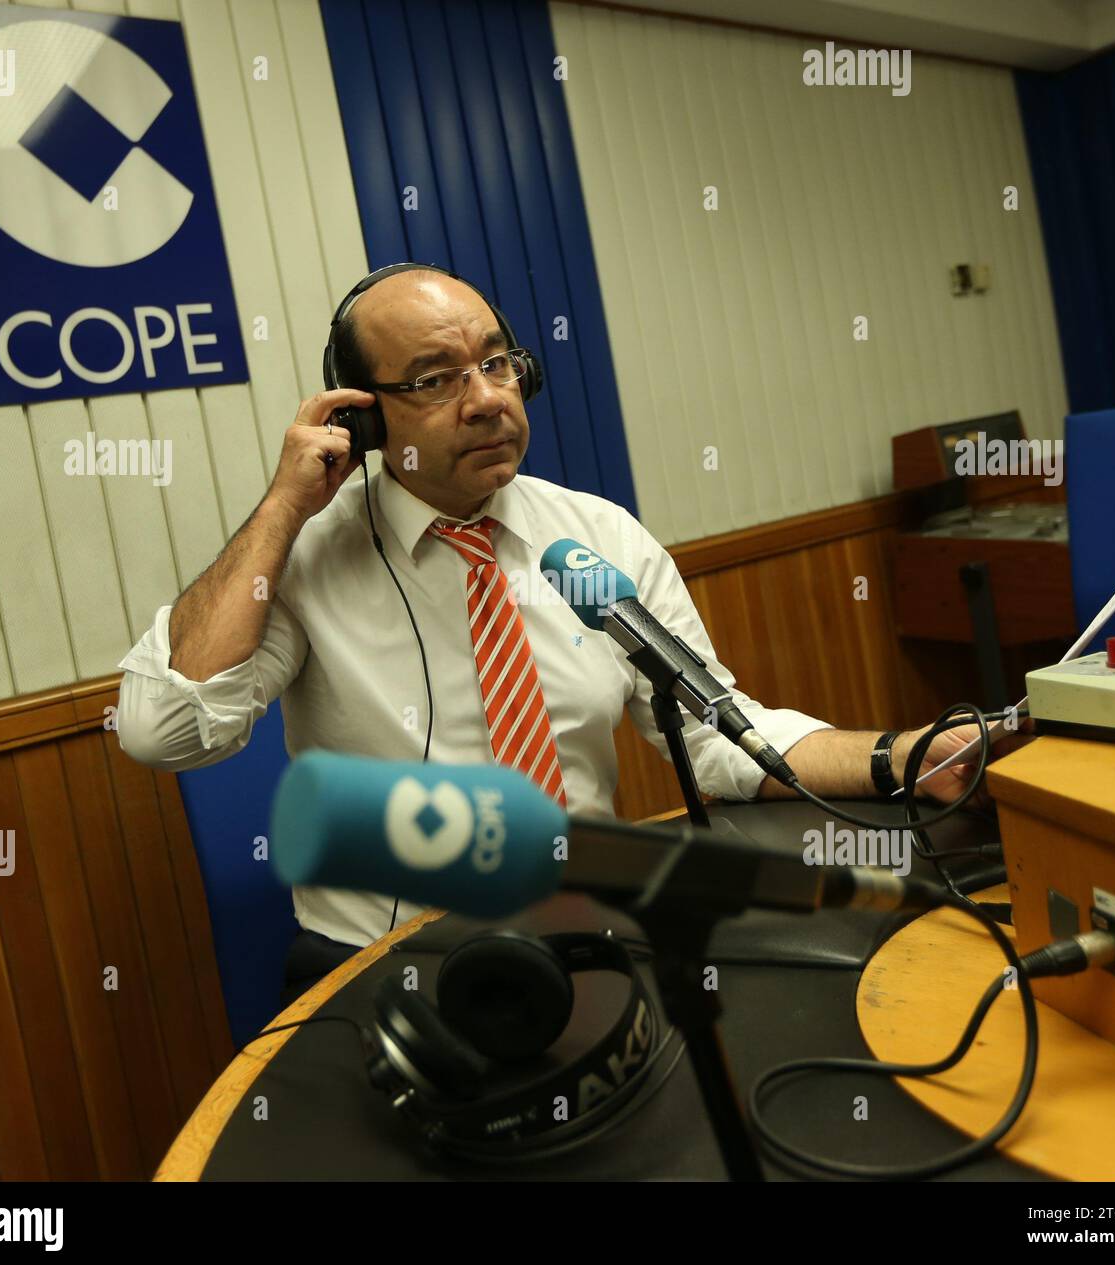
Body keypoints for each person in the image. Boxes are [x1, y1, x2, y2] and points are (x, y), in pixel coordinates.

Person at [116, 263, 996, 1003]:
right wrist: (282, 509)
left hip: (592, 932)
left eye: (498, 364)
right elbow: (165, 733)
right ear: (365, 420)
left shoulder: (598, 536)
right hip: (396, 966)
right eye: (434, 378)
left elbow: (719, 734)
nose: (486, 399)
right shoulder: (309, 559)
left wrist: (901, 756)